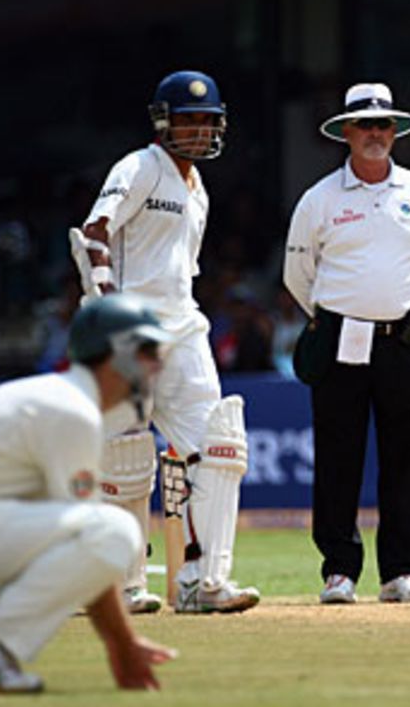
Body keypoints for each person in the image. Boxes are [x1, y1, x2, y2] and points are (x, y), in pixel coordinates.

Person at [0, 294, 178, 693]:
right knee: (114, 530)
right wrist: (122, 644)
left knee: (93, 529)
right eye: (146, 352)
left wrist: (122, 642)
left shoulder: (61, 399)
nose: (155, 366)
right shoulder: (70, 410)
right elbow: (91, 536)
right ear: (117, 354)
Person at [68, 70, 259, 614]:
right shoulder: (140, 166)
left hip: (183, 327)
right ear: (163, 121)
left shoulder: (198, 190)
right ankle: (118, 586)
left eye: (207, 121)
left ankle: (204, 582)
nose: (198, 131)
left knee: (222, 446)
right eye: (188, 120)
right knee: (125, 458)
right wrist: (104, 302)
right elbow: (95, 232)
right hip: (128, 327)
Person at [283, 82, 410, 604]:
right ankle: (339, 571)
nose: (376, 134)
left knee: (406, 454)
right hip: (341, 337)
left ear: (395, 131)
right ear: (347, 133)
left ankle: (401, 571)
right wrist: (335, 317)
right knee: (339, 455)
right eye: (366, 125)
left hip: (403, 337)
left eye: (384, 125)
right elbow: (298, 273)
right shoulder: (320, 199)